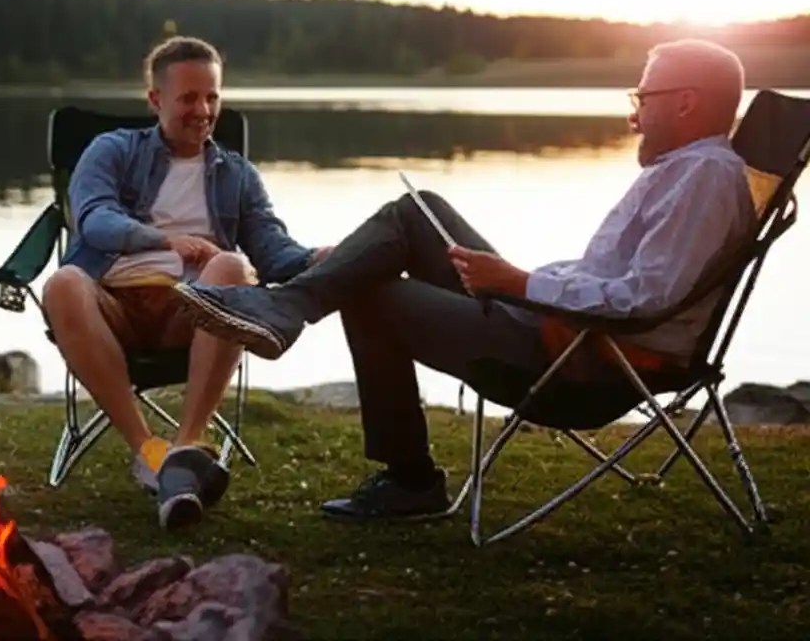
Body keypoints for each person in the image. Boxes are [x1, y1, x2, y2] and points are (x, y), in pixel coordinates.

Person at [171, 38, 755, 520]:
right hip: (561, 330)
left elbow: (642, 299)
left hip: (580, 361)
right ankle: (289, 307)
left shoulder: (702, 177)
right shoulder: (689, 169)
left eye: (643, 95)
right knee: (418, 211)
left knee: (373, 294)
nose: (633, 112)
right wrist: (520, 281)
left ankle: (411, 480)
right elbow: (629, 282)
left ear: (685, 103)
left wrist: (523, 284)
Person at [42, 35, 330, 530]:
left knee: (233, 267)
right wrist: (159, 240)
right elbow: (93, 219)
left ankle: (183, 446)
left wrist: (317, 258)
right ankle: (147, 449)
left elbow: (271, 249)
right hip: (113, 305)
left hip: (193, 310)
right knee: (63, 283)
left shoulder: (237, 175)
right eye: (189, 98)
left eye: (213, 97)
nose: (204, 110)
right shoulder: (110, 150)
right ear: (156, 100)